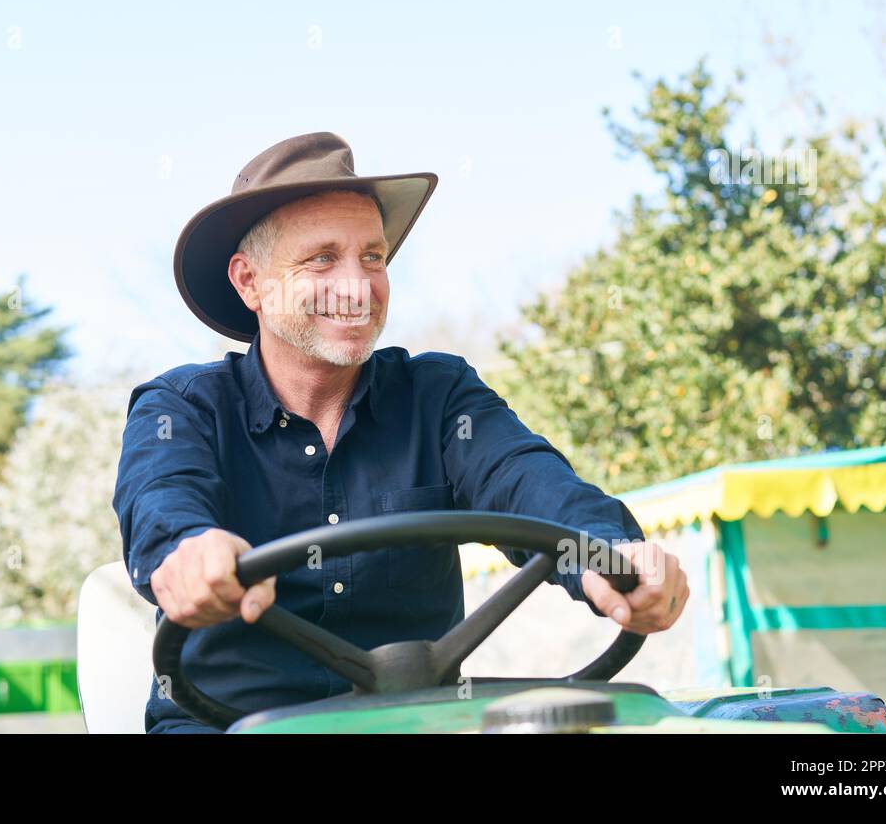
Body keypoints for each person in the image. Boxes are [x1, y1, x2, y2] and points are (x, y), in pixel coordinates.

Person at [112, 131, 689, 733]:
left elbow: (527, 482)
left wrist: (608, 551)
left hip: (414, 721)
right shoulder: (181, 408)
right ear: (250, 282)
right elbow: (161, 507)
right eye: (321, 259)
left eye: (373, 257)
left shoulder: (438, 397)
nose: (358, 286)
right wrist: (188, 552)